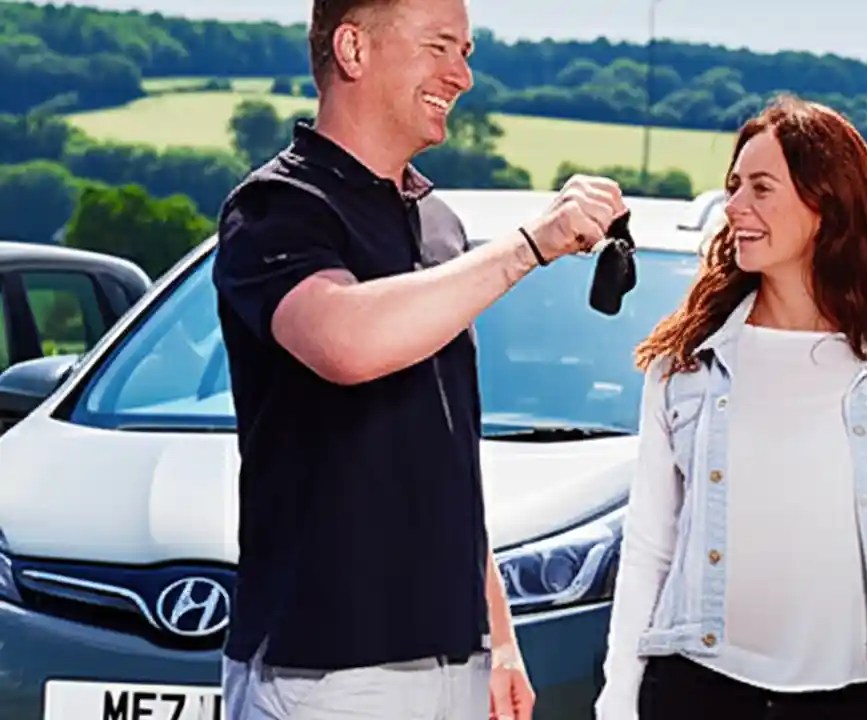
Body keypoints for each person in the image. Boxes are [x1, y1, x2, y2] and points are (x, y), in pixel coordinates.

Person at [211, 1, 626, 718]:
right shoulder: (278, 206)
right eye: (440, 47)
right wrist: (531, 244)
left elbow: (446, 456)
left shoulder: (438, 224)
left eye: (465, 52)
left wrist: (498, 638)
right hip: (332, 667)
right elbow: (346, 342)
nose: (462, 75)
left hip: (454, 659)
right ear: (352, 48)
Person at [594, 95, 867, 720]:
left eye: (761, 189)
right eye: (735, 185)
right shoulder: (686, 363)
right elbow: (649, 546)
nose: (734, 208)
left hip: (847, 699)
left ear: (826, 204)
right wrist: (618, 696)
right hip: (697, 688)